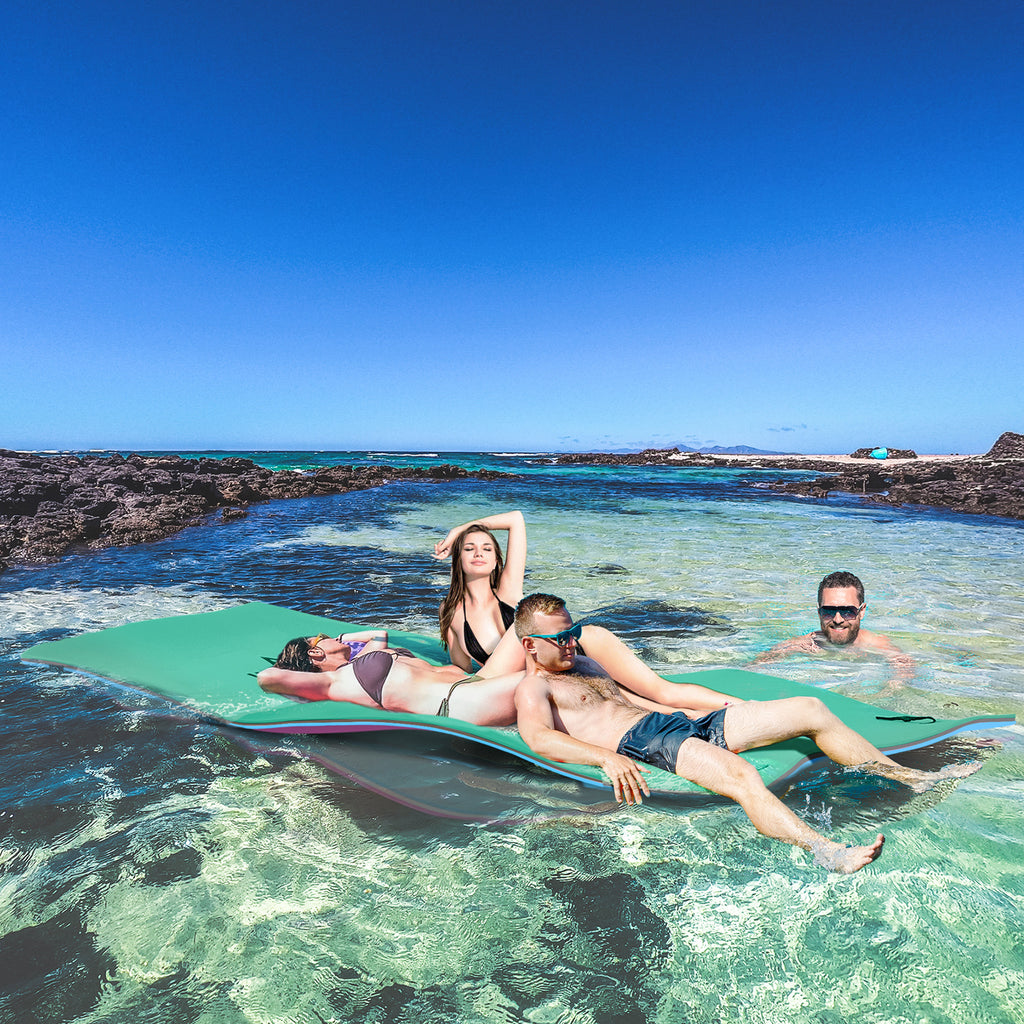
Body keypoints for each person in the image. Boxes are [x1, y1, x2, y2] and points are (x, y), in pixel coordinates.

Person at [512, 593, 979, 874]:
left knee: (810, 708)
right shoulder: (535, 685)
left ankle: (908, 778)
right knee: (739, 776)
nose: (572, 641)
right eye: (560, 638)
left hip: (676, 723)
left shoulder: (586, 662)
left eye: (573, 630)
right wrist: (605, 759)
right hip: (644, 742)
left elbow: (657, 692)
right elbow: (538, 738)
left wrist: (725, 706)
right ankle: (827, 850)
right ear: (530, 644)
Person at [257, 629, 522, 725]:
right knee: (543, 681)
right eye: (323, 637)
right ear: (314, 652)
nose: (331, 637)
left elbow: (378, 634)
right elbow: (267, 677)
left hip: (481, 681)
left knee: (530, 619)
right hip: (463, 702)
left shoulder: (360, 662)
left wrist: (339, 640)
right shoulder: (335, 681)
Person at [754, 571, 916, 688]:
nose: (838, 620)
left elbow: (905, 666)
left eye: (847, 611)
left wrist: (892, 689)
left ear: (862, 611)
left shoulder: (875, 645)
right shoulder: (807, 644)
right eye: (829, 611)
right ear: (819, 612)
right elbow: (758, 665)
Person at [434, 510, 528, 671]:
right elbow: (462, 670)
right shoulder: (450, 609)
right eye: (469, 549)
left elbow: (515, 519)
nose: (478, 554)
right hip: (508, 687)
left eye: (487, 549)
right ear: (458, 560)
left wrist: (458, 531)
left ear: (495, 561)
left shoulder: (508, 591)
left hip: (556, 671)